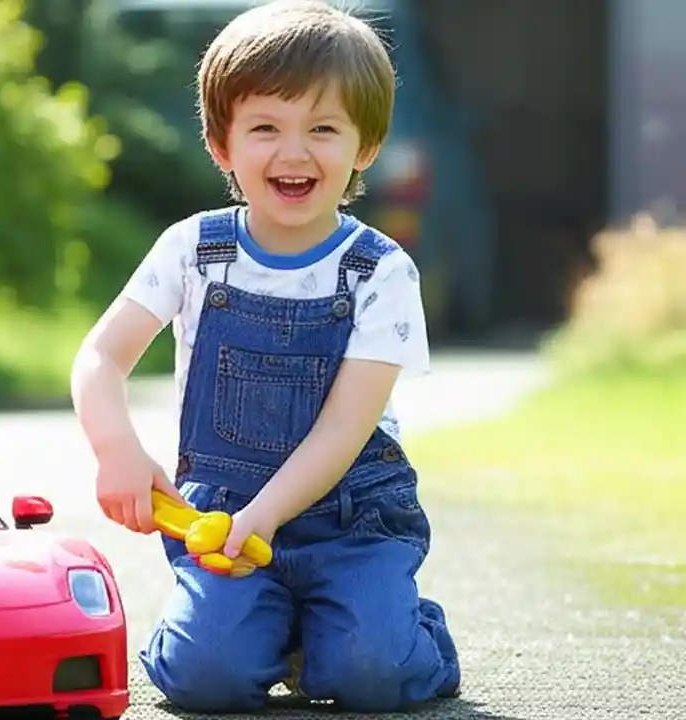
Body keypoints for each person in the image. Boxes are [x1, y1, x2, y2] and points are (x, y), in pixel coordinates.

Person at [68, 0, 461, 713]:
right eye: (264, 128)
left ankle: (402, 634)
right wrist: (116, 449)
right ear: (221, 145)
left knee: (371, 674)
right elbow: (100, 357)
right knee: (203, 680)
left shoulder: (381, 271)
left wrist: (270, 514)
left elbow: (346, 428)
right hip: (224, 514)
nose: (293, 152)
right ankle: (269, 631)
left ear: (364, 146)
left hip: (352, 522)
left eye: (323, 129)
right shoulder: (194, 249)